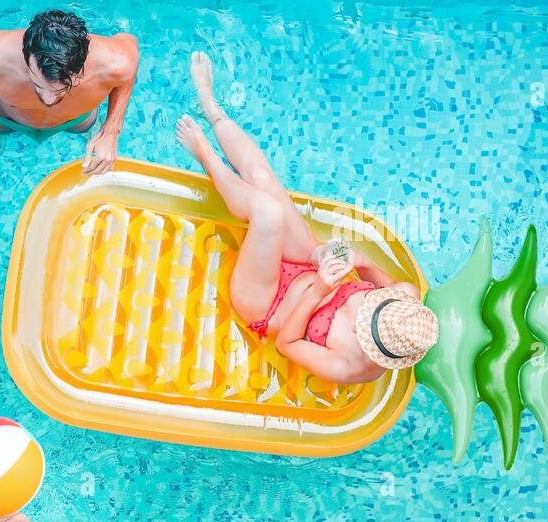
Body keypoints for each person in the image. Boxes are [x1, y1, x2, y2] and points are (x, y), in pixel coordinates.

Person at [174, 52, 438, 383]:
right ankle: (212, 109)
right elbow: (364, 266)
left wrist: (319, 291)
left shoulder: (352, 368)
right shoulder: (403, 296)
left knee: (267, 212)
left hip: (266, 303)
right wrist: (346, 258)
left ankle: (205, 154)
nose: (365, 311)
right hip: (309, 265)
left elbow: (287, 344)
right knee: (263, 178)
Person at [0, 9, 138, 175]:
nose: (48, 99)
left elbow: (129, 67)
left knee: (98, 154)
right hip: (4, 118)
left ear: (81, 67)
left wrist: (111, 131)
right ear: (26, 57)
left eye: (62, 89)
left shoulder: (115, 63)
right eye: (38, 85)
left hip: (78, 120)